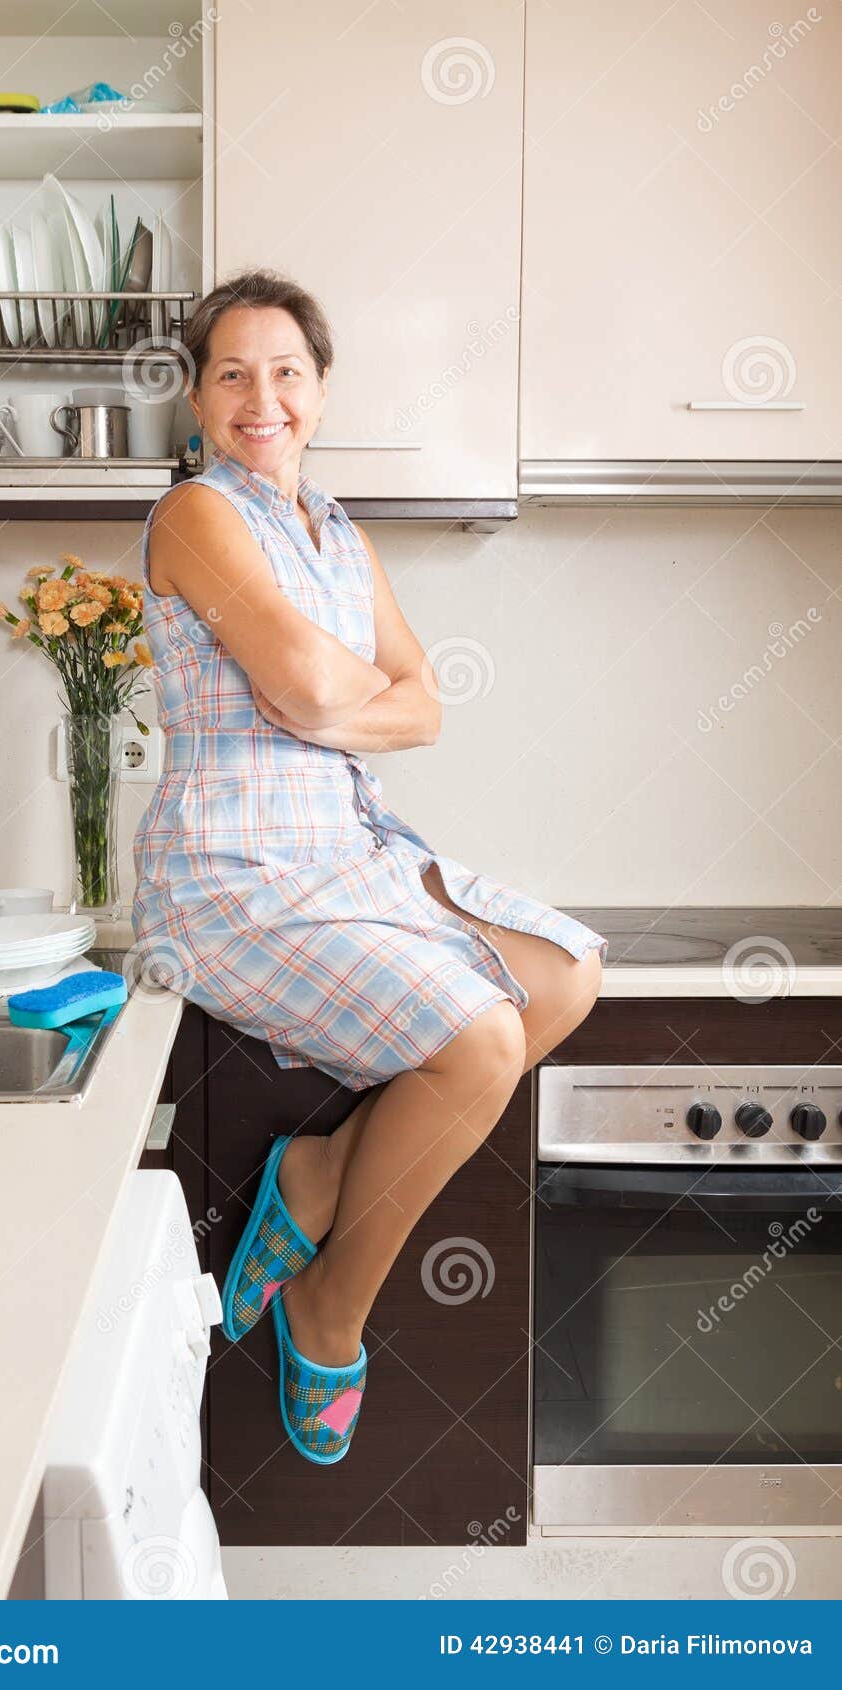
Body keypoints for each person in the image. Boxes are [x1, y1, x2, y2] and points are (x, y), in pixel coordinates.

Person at [131, 269, 607, 1465]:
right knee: (481, 1036)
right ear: (195, 396)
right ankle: (327, 1304)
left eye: (285, 371)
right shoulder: (196, 514)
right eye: (231, 373)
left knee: (563, 977)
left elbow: (425, 704)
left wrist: (322, 699)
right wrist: (333, 694)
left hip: (347, 855)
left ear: (321, 390)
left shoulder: (334, 530)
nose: (262, 397)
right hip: (229, 878)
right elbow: (315, 687)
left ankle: (325, 1166)